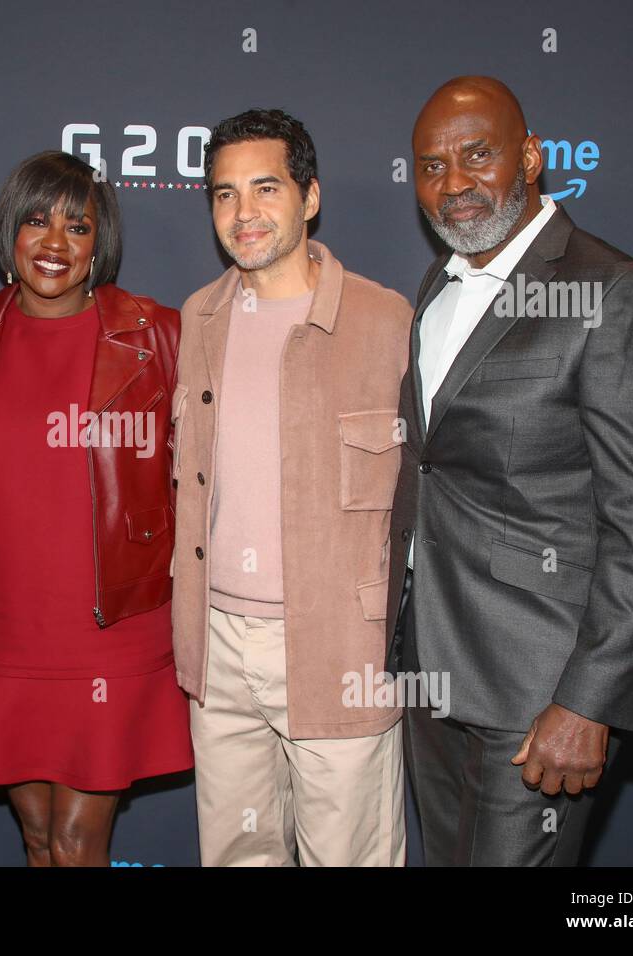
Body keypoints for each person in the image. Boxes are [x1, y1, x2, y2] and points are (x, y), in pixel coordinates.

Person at [385, 76, 633, 865]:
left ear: (530, 157)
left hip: (539, 694)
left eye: (476, 155)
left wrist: (588, 702)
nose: (452, 184)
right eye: (429, 165)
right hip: (433, 672)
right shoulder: (439, 286)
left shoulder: (616, 293)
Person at [0, 150, 192, 866]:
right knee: (40, 837)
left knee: (79, 840)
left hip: (109, 626)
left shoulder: (156, 334)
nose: (54, 243)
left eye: (77, 227)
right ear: (9, 233)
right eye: (36, 221)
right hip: (7, 626)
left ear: (99, 242)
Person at [171, 109, 413, 866]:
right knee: (238, 855)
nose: (243, 214)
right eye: (224, 194)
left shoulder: (386, 320)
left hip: (339, 647)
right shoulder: (199, 318)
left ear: (309, 197)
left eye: (265, 188)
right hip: (217, 645)